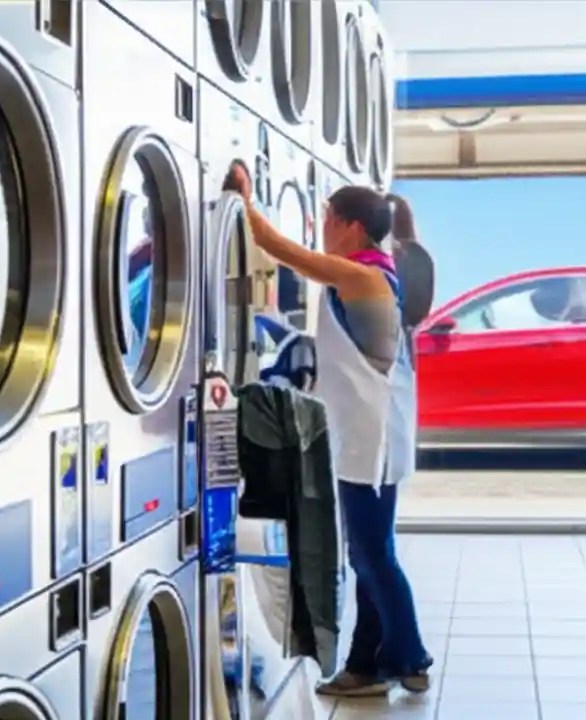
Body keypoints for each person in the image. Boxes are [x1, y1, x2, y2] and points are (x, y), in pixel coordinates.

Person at [229, 165, 433, 697]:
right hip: (367, 438)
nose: (323, 228)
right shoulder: (374, 272)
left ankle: (410, 655)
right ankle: (365, 666)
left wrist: (243, 199)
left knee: (371, 553)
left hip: (372, 441)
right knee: (368, 551)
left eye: (327, 219)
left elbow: (280, 249)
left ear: (351, 226)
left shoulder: (360, 275)